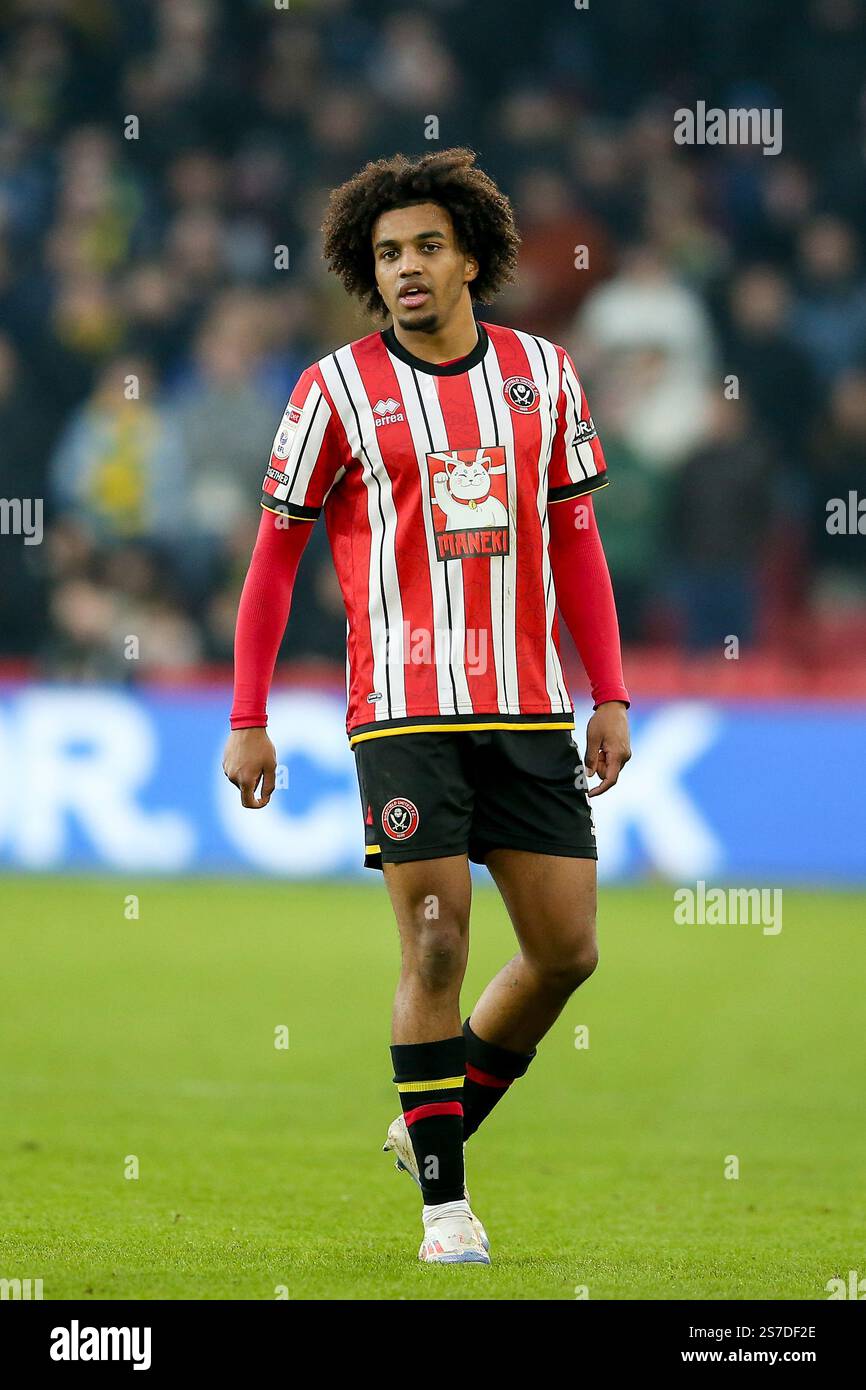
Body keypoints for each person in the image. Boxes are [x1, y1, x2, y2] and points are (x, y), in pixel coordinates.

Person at [222, 148, 631, 1265]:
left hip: (530, 706)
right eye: (386, 252)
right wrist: (246, 713)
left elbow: (577, 543)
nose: (403, 267)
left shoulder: (542, 375)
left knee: (564, 954)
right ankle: (445, 1208)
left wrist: (610, 693)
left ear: (470, 259)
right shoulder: (333, 390)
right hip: (401, 709)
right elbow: (273, 560)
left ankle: (426, 1126)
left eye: (423, 248)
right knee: (438, 948)